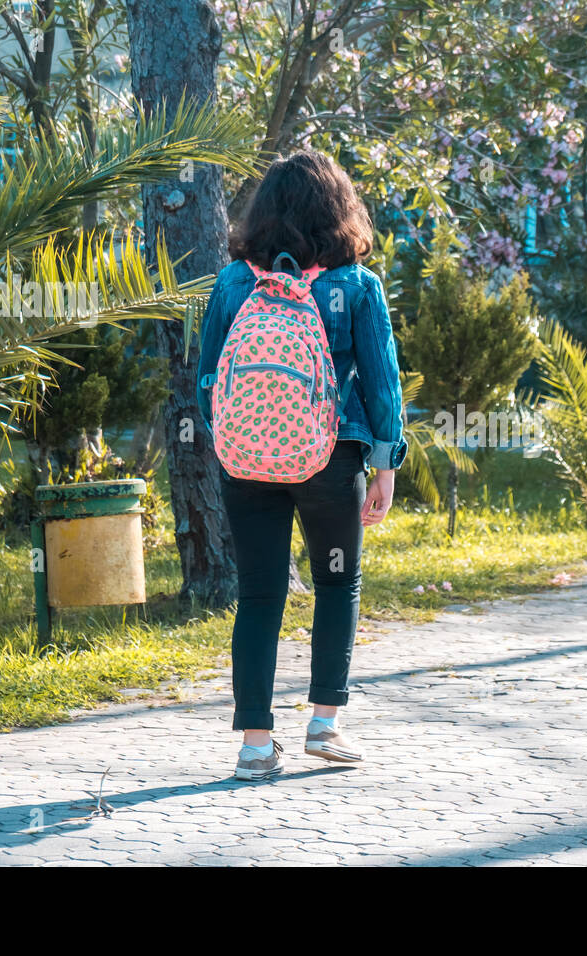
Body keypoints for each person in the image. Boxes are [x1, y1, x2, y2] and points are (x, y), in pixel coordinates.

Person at [196, 150, 407, 779]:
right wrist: (385, 461)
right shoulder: (356, 286)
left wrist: (232, 440)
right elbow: (381, 381)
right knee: (336, 583)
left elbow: (208, 375)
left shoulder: (237, 281)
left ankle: (255, 746)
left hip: (248, 462)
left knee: (258, 593)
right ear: (340, 212)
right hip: (331, 460)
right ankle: (324, 724)